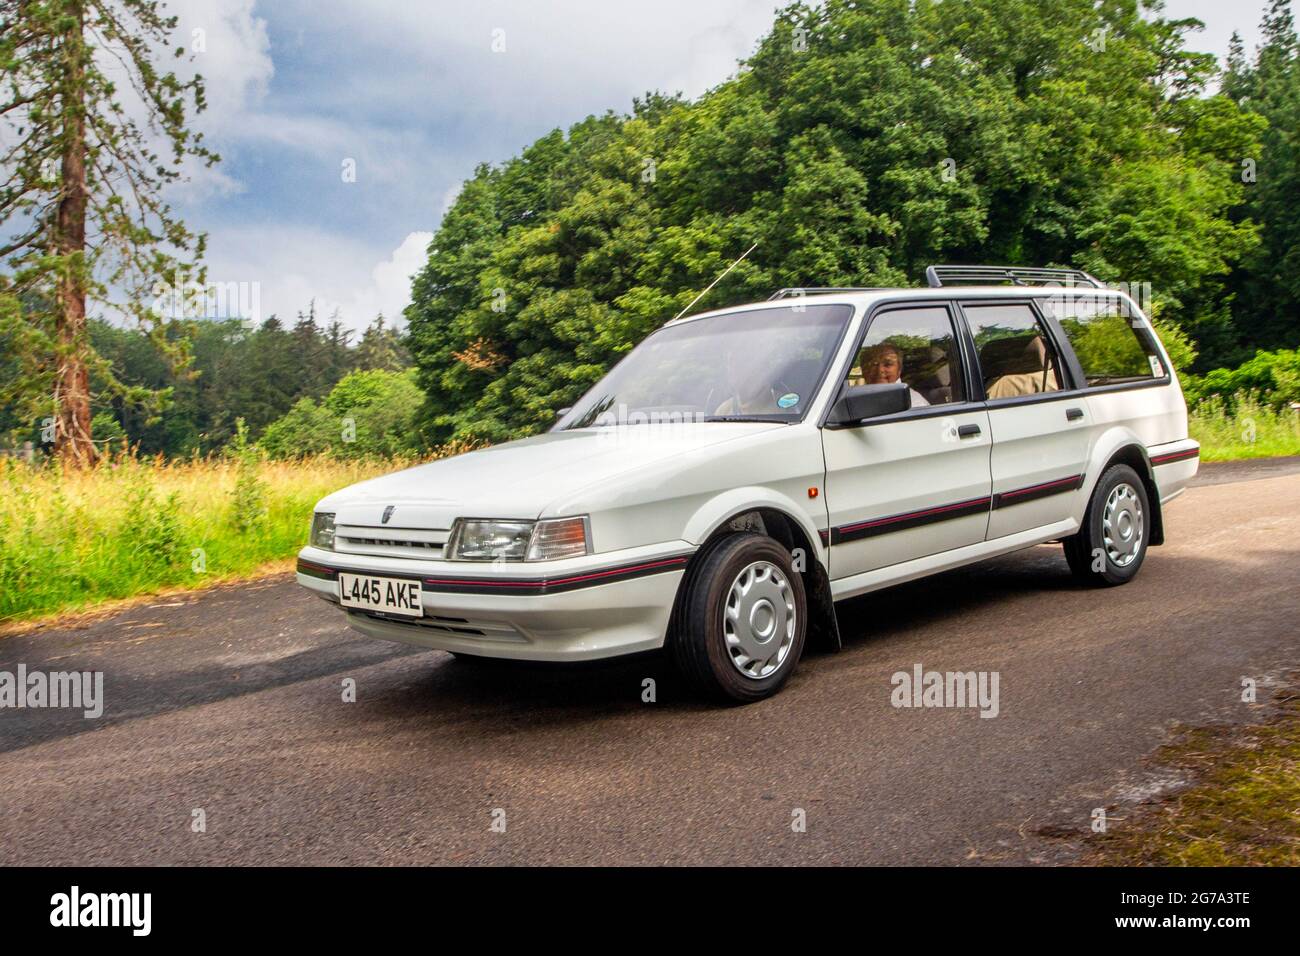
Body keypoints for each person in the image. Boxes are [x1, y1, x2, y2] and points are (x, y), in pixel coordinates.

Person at [855, 342, 930, 407]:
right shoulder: (857, 399)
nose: (880, 370)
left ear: (899, 370)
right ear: (863, 370)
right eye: (873, 364)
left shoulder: (913, 403)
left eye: (888, 364)